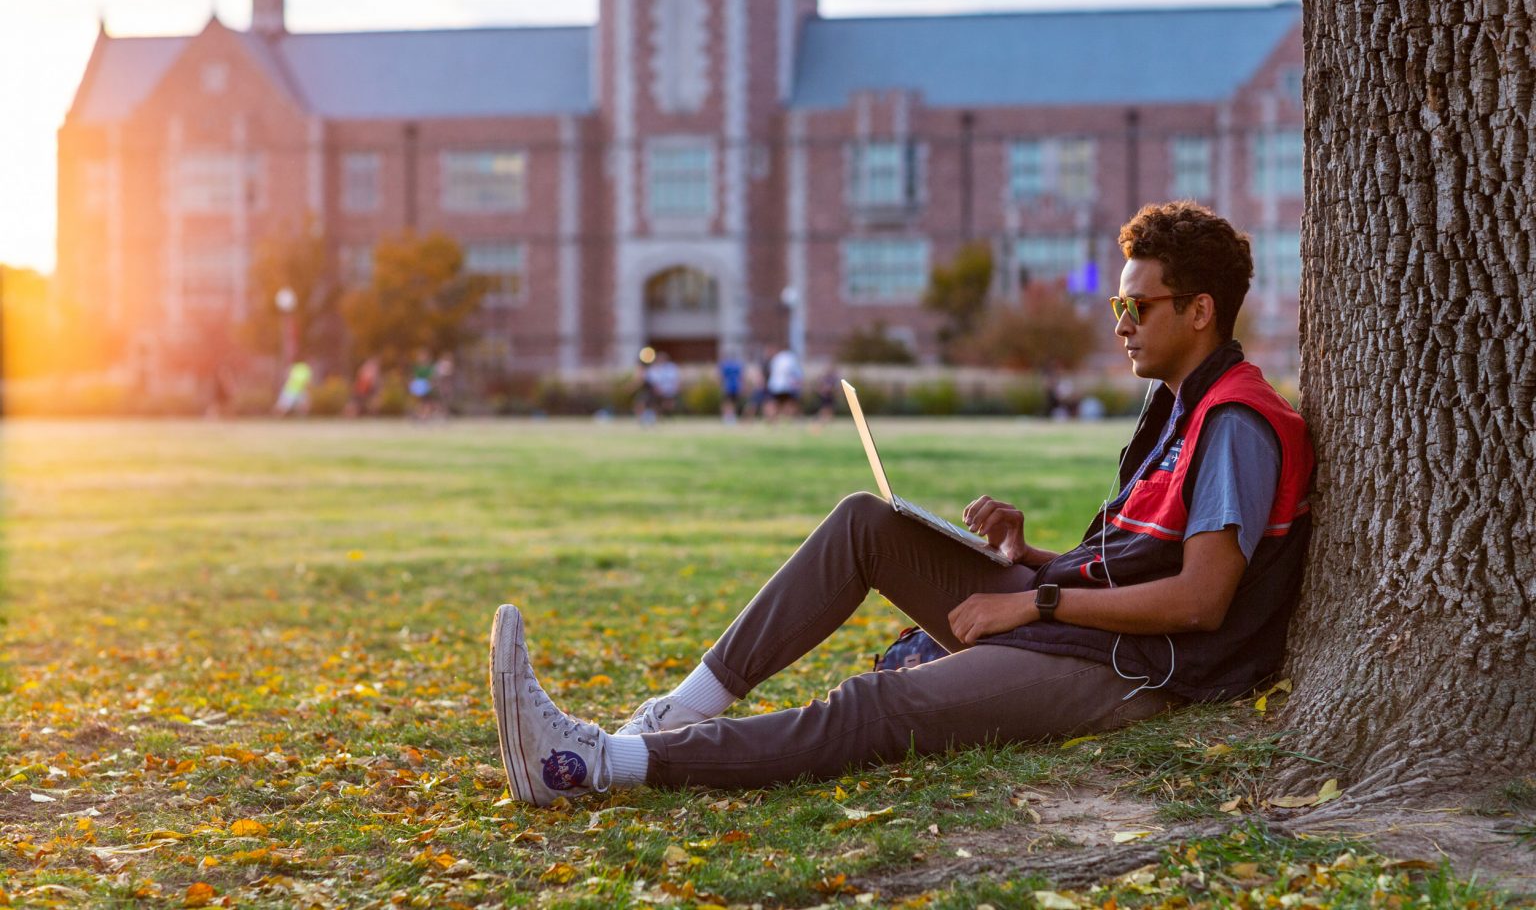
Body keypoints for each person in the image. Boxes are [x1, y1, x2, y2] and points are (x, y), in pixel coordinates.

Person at [488, 201, 1315, 806]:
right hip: (1075, 617)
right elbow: (1143, 552)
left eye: (1138, 306)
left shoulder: (1235, 421)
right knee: (867, 523)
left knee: (881, 708)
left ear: (1200, 311)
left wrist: (1037, 603)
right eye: (1118, 304)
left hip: (1137, 673)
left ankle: (593, 764)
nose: (1122, 324)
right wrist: (1030, 560)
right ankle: (674, 714)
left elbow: (1201, 602)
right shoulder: (1176, 403)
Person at [765, 346, 803, 420]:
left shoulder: (776, 358)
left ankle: (772, 418)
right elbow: (797, 373)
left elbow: (771, 371)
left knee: (775, 403)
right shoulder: (791, 358)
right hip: (787, 385)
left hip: (775, 385)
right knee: (790, 403)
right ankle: (792, 418)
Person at [718, 351, 744, 423]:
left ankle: (728, 417)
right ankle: (731, 416)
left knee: (727, 402)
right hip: (735, 386)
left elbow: (721, 377)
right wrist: (742, 386)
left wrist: (721, 386)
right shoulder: (737, 365)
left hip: (728, 386)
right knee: (733, 402)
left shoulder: (725, 365)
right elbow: (741, 377)